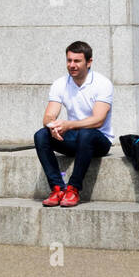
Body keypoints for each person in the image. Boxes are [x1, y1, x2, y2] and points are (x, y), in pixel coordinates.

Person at [34, 41, 114, 207]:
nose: (72, 65)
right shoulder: (60, 83)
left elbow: (98, 120)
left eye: (77, 61)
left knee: (86, 133)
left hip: (99, 140)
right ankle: (57, 188)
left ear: (89, 62)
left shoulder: (102, 83)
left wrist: (68, 125)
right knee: (41, 135)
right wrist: (53, 127)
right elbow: (48, 116)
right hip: (74, 140)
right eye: (69, 60)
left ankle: (73, 189)